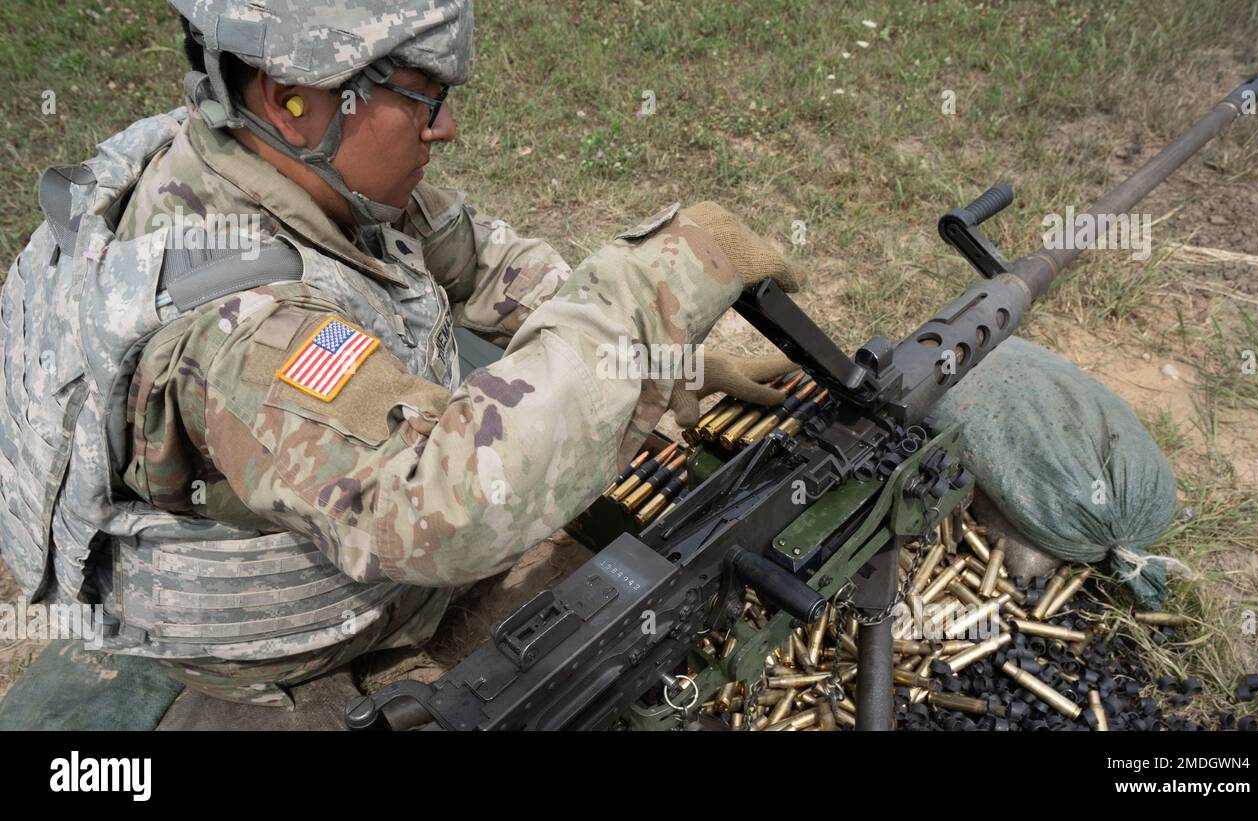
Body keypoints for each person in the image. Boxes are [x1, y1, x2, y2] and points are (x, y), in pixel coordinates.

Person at [0, 0, 801, 710]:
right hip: (306, 640)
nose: (444, 128)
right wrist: (658, 281)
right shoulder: (245, 333)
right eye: (425, 99)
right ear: (292, 100)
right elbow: (444, 508)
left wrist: (645, 359)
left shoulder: (290, 170)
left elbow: (478, 256)